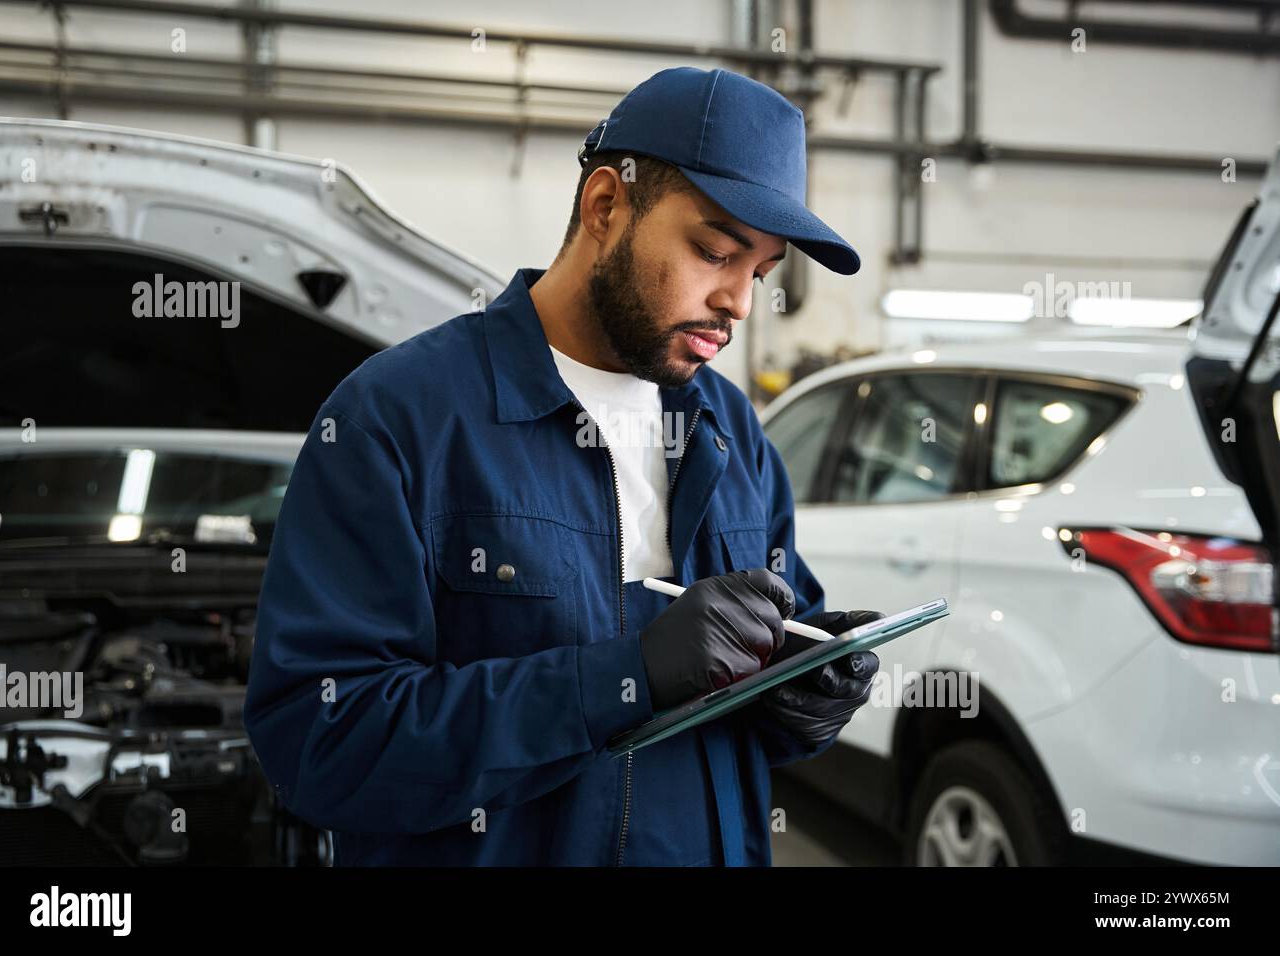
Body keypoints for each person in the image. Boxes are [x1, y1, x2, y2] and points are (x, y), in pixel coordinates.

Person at [244, 66, 882, 866]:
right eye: (714, 252)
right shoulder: (400, 419)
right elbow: (320, 742)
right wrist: (620, 680)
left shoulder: (730, 432)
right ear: (606, 206)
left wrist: (806, 698)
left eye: (759, 272)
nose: (740, 304)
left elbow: (765, 693)